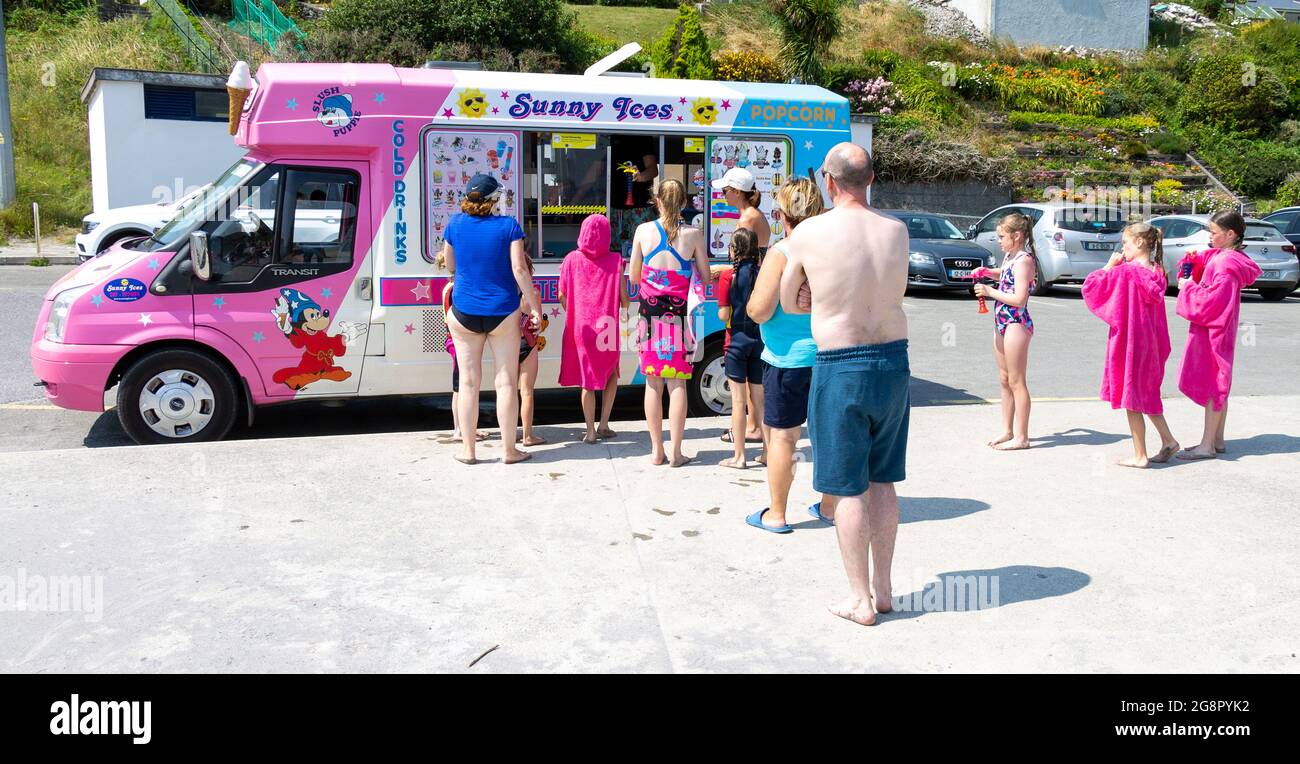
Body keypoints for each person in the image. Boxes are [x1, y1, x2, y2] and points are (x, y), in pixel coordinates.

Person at [779, 142, 909, 627]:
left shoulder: (810, 232)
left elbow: (787, 301)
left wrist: (819, 297)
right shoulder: (896, 231)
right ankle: (884, 589)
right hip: (893, 361)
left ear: (828, 182)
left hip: (841, 363)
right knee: (883, 479)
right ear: (870, 179)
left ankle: (860, 600)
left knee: (849, 488)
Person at [441, 173, 543, 465]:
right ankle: (509, 451)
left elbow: (450, 265)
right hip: (502, 312)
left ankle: (468, 451)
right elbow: (519, 270)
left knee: (468, 383)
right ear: (495, 199)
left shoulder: (454, 225)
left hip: (463, 311)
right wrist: (534, 307)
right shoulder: (509, 226)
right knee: (506, 382)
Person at [744, 177, 824, 533]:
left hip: (787, 359)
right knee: (827, 433)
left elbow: (759, 310)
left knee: (783, 437)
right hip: (829, 356)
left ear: (782, 214)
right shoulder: (832, 250)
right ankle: (830, 505)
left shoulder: (782, 252)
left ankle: (776, 513)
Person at [1082, 222, 1179, 468]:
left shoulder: (1125, 272)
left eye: (1125, 243)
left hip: (1131, 342)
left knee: (1132, 398)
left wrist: (1108, 266)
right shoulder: (1157, 271)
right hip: (1153, 342)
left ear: (1139, 242)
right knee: (1147, 393)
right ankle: (1168, 441)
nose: (1122, 248)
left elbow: (1091, 288)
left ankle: (1140, 455)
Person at [630, 179, 711, 467]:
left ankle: (657, 451)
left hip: (649, 317)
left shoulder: (643, 231)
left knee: (653, 383)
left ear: (657, 201)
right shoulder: (693, 235)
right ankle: (676, 453)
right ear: (684, 203)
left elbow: (634, 277)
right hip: (680, 318)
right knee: (678, 383)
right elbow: (706, 276)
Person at [1173, 210, 1262, 460]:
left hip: (1213, 330)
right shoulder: (1230, 257)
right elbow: (1209, 263)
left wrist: (1188, 287)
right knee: (1220, 382)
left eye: (1214, 232)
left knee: (1214, 384)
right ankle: (1217, 439)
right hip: (1222, 328)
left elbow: (1213, 302)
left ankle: (1207, 446)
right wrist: (1194, 263)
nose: (1210, 236)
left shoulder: (1225, 263)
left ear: (1230, 234)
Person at [971, 212, 1040, 451]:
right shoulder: (1011, 256)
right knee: (1004, 379)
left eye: (1002, 236)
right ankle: (1007, 430)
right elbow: (1007, 275)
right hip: (1002, 321)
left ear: (1017, 235)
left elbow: (1020, 299)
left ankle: (1022, 437)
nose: (998, 240)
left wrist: (989, 291)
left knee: (1017, 381)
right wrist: (988, 273)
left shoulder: (1024, 260)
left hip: (1016, 322)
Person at [558, 214, 627, 443]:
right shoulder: (616, 261)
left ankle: (590, 432)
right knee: (611, 373)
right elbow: (624, 298)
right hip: (607, 328)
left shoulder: (571, 259)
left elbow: (561, 295)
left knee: (587, 380)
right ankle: (604, 425)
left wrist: (575, 312)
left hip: (581, 328)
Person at [714, 167, 770, 445]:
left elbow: (744, 264)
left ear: (737, 192)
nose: (722, 195)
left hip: (746, 302)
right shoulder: (755, 215)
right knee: (754, 377)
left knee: (745, 378)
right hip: (756, 295)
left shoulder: (747, 218)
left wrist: (719, 272)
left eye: (725, 191)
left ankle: (750, 427)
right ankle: (754, 425)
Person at [718, 228, 767, 469]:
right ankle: (767, 453)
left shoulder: (728, 277)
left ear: (734, 250)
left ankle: (740, 457)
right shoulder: (764, 275)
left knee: (738, 402)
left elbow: (722, 315)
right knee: (761, 401)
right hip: (759, 343)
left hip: (735, 343)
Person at [517, 256, 548, 447]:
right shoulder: (534, 293)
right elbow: (539, 325)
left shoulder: (504, 293)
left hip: (507, 345)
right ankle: (527, 436)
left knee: (508, 390)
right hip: (527, 344)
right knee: (527, 391)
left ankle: (510, 433)